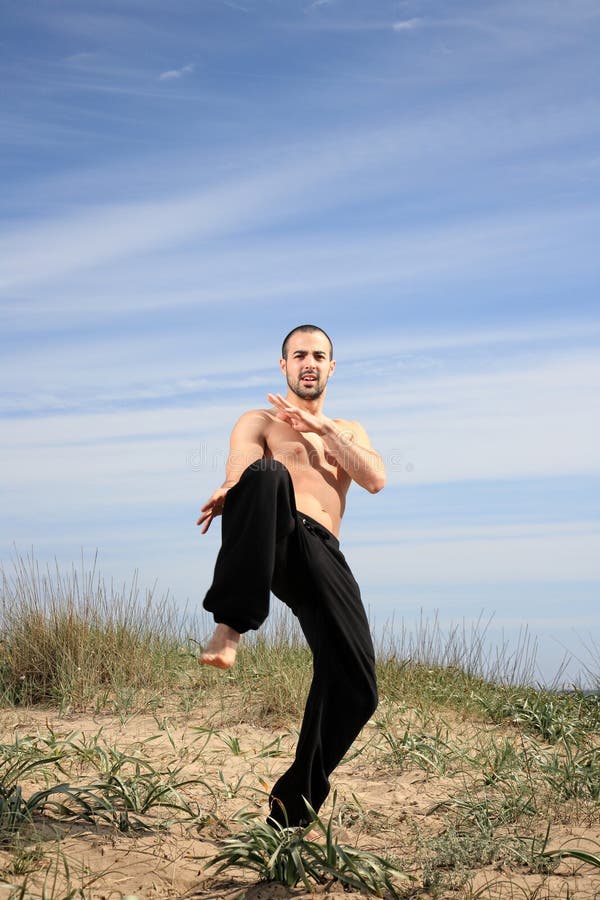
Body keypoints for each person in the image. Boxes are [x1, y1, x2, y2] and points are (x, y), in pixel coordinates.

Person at [196, 324, 385, 828]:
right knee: (267, 474)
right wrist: (230, 486)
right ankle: (230, 625)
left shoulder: (347, 429)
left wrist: (322, 431)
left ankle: (290, 810)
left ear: (331, 367)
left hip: (324, 554)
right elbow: (242, 470)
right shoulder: (258, 421)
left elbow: (375, 479)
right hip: (276, 538)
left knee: (357, 687)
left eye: (318, 356)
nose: (309, 362)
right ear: (283, 365)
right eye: (299, 354)